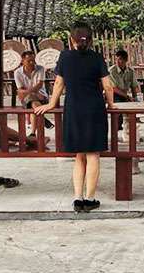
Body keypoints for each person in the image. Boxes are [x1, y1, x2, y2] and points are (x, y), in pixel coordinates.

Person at [35, 22, 115, 213]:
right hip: (94, 109)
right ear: (91, 40)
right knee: (93, 155)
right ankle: (90, 199)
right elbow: (107, 86)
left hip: (74, 109)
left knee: (79, 155)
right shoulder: (97, 58)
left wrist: (51, 104)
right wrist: (112, 104)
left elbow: (58, 84)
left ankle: (78, 199)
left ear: (71, 39)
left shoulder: (65, 57)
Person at [109, 49, 142, 173]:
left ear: (125, 60)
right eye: (117, 60)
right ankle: (115, 138)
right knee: (116, 118)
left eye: (121, 60)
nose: (118, 62)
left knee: (132, 114)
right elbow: (113, 88)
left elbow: (134, 86)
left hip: (126, 95)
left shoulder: (130, 71)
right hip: (114, 95)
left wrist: (136, 98)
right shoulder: (111, 71)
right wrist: (127, 96)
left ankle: (131, 137)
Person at [14, 50, 52, 133]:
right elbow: (20, 89)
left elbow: (39, 85)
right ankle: (41, 124)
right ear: (22, 61)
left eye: (33, 60)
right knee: (34, 103)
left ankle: (33, 133)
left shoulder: (40, 68)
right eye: (29, 61)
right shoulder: (17, 72)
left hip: (42, 97)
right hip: (27, 99)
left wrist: (26, 92)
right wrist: (30, 93)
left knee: (33, 104)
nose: (32, 63)